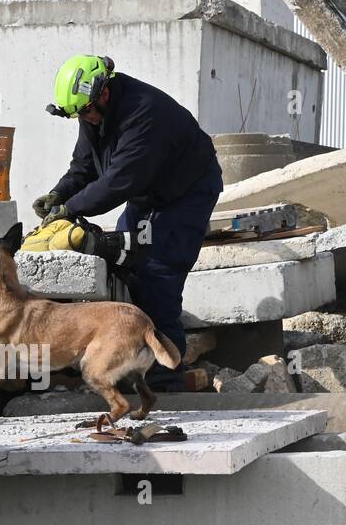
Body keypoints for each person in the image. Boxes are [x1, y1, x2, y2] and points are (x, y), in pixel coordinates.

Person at [35, 54, 223, 388]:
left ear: (104, 92)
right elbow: (84, 166)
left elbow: (118, 182)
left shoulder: (145, 114)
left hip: (185, 194)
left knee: (157, 275)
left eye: (87, 111)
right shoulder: (92, 112)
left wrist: (70, 210)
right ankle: (131, 366)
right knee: (124, 265)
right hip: (149, 193)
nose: (86, 119)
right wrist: (58, 195)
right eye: (80, 115)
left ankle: (166, 381)